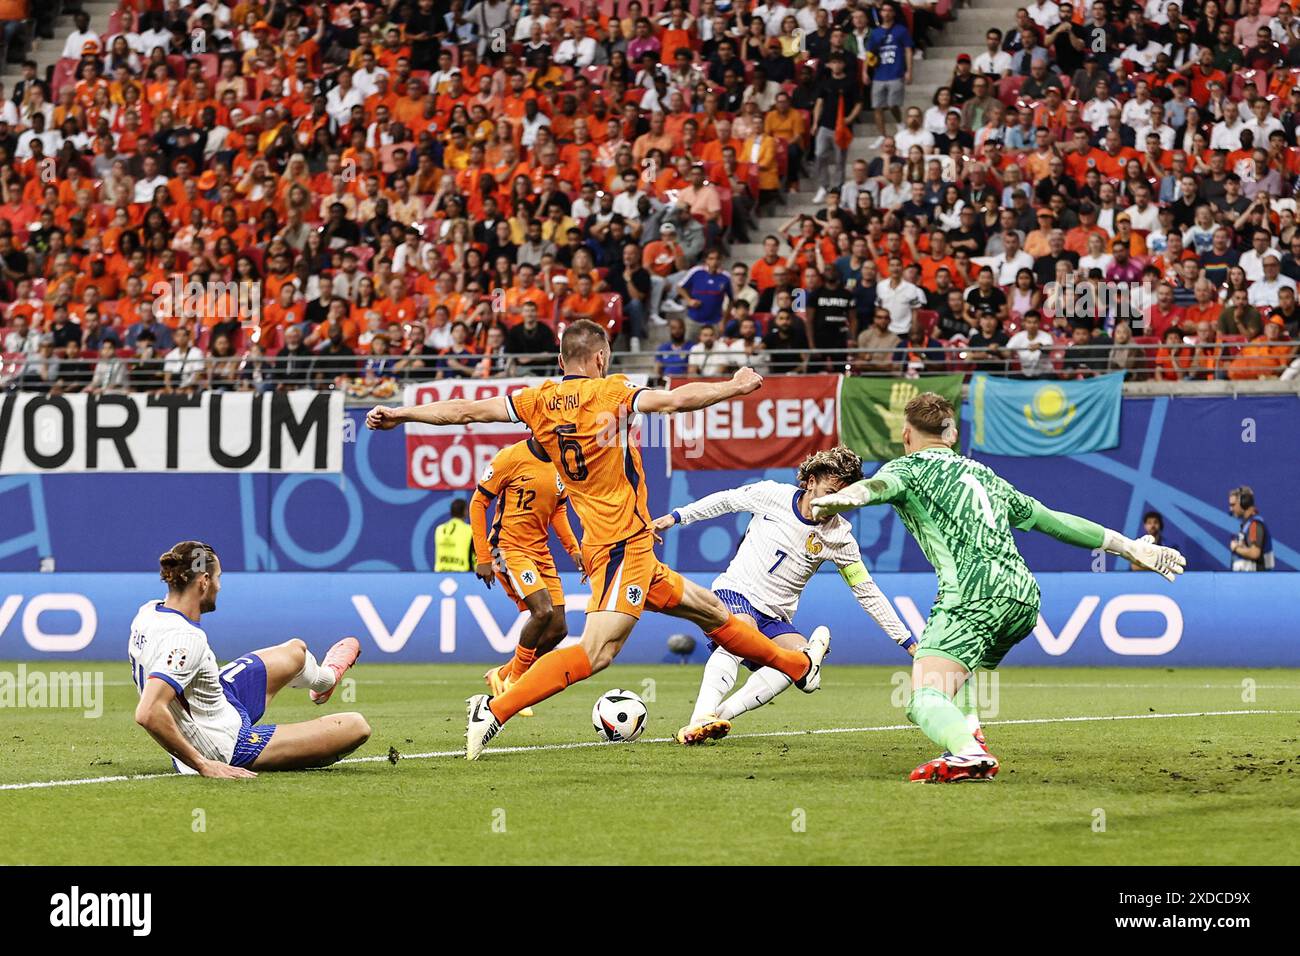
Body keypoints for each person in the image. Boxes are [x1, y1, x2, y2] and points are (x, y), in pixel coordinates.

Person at [367, 320, 828, 760]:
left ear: (561, 357)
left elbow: (464, 411)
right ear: (602, 357)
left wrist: (401, 414)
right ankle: (495, 709)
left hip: (620, 545)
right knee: (597, 651)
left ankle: (797, 667)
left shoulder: (536, 400)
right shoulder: (611, 391)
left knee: (712, 612)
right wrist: (734, 386)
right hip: (621, 543)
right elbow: (673, 402)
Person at [812, 393, 1186, 782]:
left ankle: (968, 752)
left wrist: (835, 500)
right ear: (952, 435)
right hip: (1023, 598)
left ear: (906, 436)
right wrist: (1131, 547)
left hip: (972, 596)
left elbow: (873, 488)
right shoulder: (984, 475)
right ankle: (971, 732)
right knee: (959, 666)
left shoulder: (907, 470)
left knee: (924, 697)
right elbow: (1053, 520)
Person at [654, 447, 914, 745]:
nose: (831, 504)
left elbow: (866, 592)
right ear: (811, 481)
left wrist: (905, 640)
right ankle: (701, 715)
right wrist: (676, 517)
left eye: (839, 499)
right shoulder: (771, 495)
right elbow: (725, 500)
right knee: (739, 632)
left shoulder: (840, 537)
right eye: (828, 492)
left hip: (776, 616)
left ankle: (716, 717)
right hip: (736, 591)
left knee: (798, 664)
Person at [129, 541, 368, 777]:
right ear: (203, 582)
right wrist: (203, 764)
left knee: (296, 651)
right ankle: (211, 758)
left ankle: (326, 680)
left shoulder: (148, 612)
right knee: (356, 726)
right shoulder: (187, 639)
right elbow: (149, 712)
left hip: (218, 702)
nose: (219, 587)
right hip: (222, 745)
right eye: (218, 578)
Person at [470, 438, 586, 713]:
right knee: (542, 611)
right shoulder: (510, 457)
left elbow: (559, 509)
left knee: (559, 629)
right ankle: (515, 682)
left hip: (540, 553)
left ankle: (502, 674)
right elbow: (478, 503)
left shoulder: (562, 462)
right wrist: (483, 556)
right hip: (507, 548)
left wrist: (574, 550)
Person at [1228, 485, 1274, 571]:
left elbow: (1254, 553)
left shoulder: (1254, 525)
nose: (1230, 509)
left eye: (1233, 505)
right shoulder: (1248, 525)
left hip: (1259, 581)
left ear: (1244, 502)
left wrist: (1236, 548)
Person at [434, 499, 475, 571]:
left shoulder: (439, 529)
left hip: (440, 573)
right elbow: (476, 555)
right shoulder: (469, 530)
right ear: (465, 512)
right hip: (463, 574)